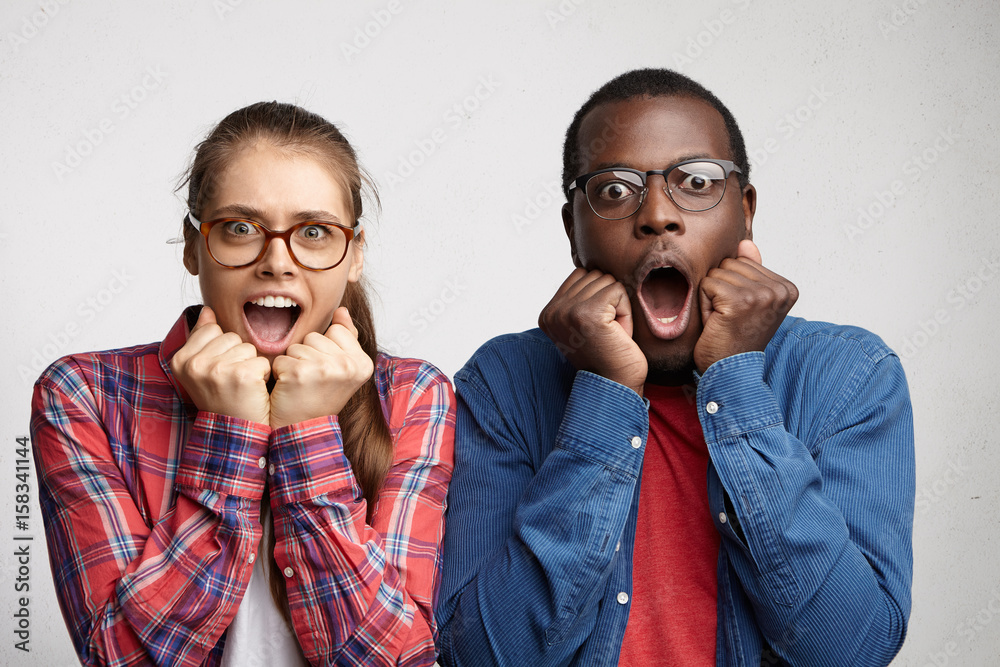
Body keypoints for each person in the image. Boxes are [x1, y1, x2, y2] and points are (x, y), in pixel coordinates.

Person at [436, 69, 914, 666]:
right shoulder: (503, 382)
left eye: (696, 182)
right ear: (572, 230)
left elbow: (851, 649)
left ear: (745, 213)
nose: (658, 215)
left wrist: (735, 379)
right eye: (614, 190)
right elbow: (481, 657)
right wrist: (605, 395)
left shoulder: (851, 375)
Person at [31, 102, 455, 666]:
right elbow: (121, 660)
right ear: (192, 246)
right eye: (240, 228)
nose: (277, 262)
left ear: (353, 255)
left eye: (314, 231)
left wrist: (307, 430)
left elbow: (394, 659)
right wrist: (232, 433)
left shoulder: (412, 395)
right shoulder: (85, 394)